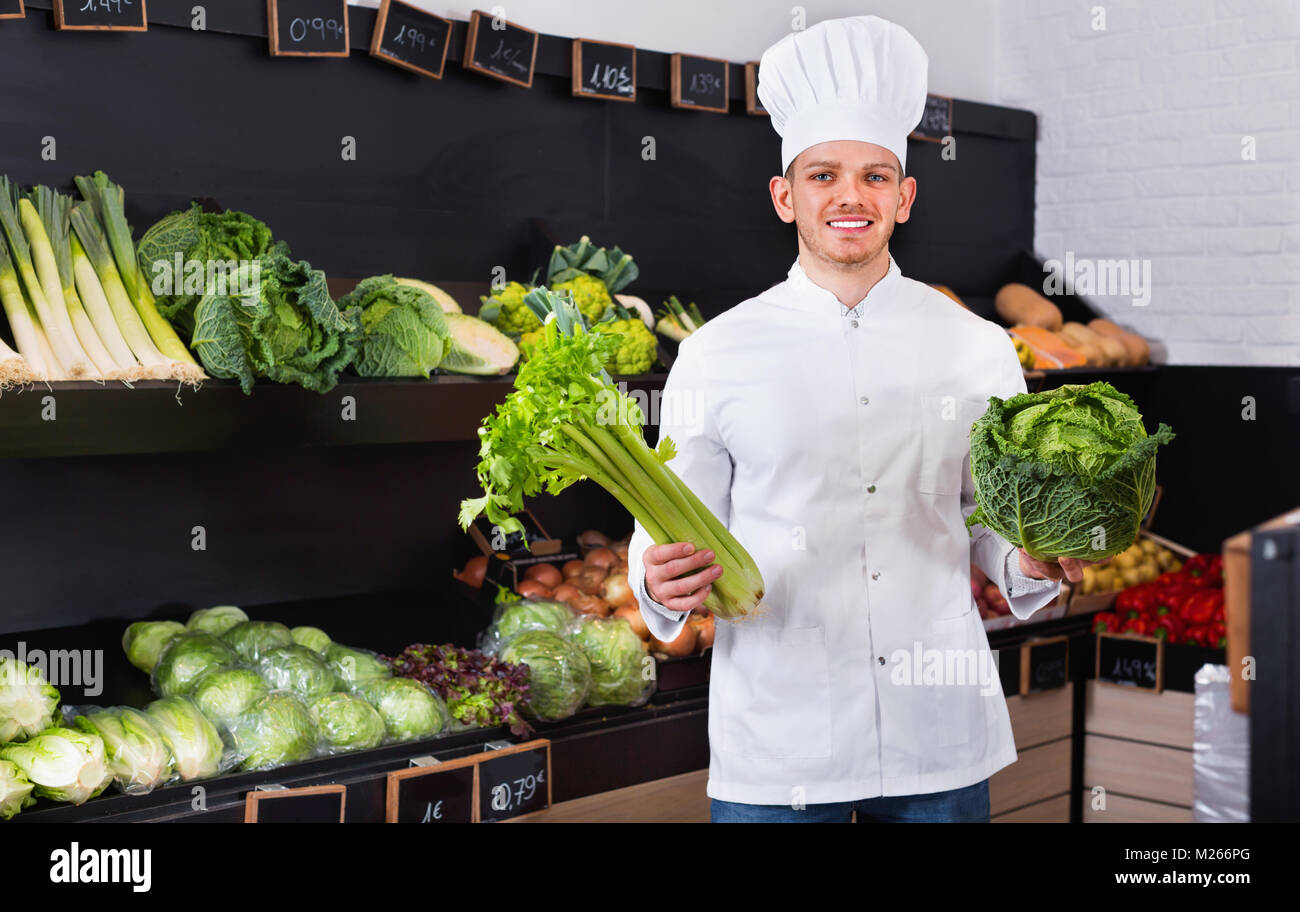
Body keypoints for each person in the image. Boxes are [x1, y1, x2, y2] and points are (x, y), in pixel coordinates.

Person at [625, 15, 1097, 824]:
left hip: (938, 736)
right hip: (779, 739)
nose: (852, 195)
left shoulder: (978, 347)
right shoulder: (717, 352)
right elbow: (669, 526)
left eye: (877, 176)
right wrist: (658, 582)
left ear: (905, 196)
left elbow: (991, 521)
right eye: (823, 175)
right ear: (785, 196)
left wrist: (1035, 562)